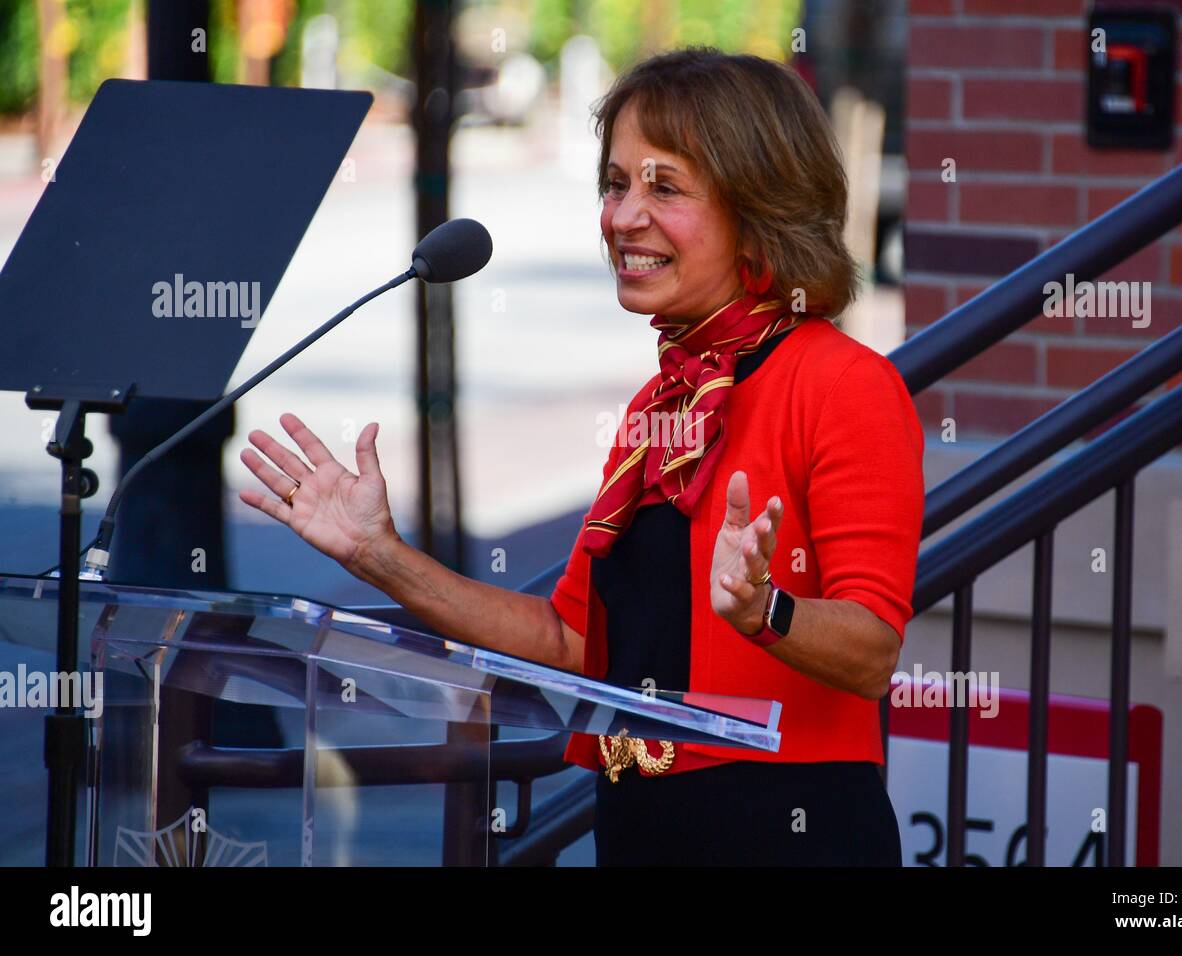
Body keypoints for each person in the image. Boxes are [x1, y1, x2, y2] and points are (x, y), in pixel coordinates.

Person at [238, 47, 924, 866]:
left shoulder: (844, 383)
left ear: (758, 206)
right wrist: (378, 555)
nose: (622, 216)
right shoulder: (661, 404)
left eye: (664, 187)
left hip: (783, 829)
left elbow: (874, 651)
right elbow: (567, 640)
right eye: (615, 183)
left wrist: (765, 610)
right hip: (639, 827)